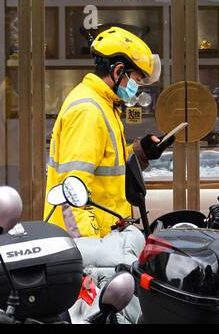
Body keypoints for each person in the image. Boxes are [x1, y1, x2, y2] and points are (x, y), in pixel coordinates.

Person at [44, 26, 174, 238]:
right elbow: (72, 193)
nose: (138, 87)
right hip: (95, 246)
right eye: (136, 79)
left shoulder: (104, 105)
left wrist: (142, 152)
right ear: (117, 71)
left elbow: (107, 163)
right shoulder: (88, 111)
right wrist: (92, 250)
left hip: (109, 237)